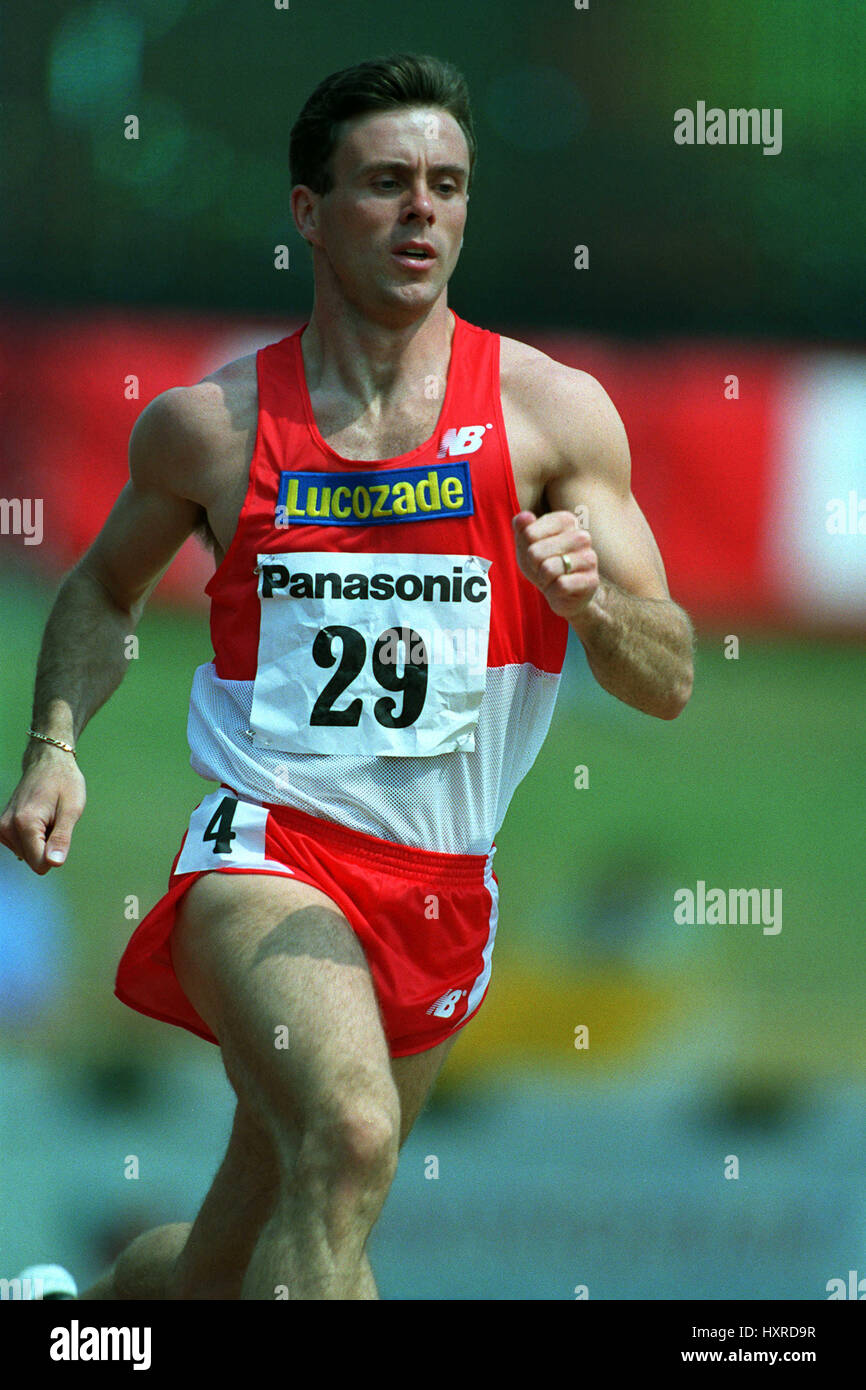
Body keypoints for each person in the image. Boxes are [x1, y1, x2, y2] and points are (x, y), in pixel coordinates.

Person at [0, 52, 694, 1300]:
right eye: (385, 183)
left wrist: (587, 602)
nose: (422, 210)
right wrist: (56, 743)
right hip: (264, 854)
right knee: (354, 1139)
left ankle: (71, 1318)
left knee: (235, 1259)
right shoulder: (209, 426)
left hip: (440, 885)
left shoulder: (553, 415)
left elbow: (667, 676)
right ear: (308, 212)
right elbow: (102, 590)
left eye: (446, 184)